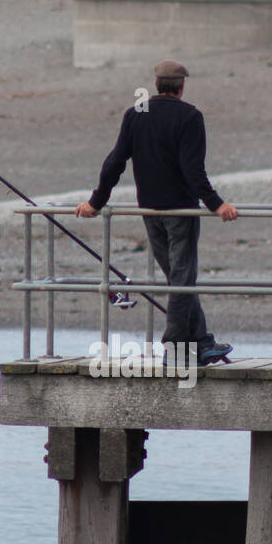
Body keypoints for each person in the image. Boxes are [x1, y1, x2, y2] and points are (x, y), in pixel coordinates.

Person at [75, 59, 239, 367]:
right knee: (181, 279)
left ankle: (202, 343)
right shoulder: (190, 116)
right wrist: (217, 205)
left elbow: (114, 162)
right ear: (182, 86)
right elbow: (193, 169)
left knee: (179, 278)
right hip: (181, 211)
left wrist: (96, 202)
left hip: (149, 209)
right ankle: (175, 348)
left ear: (156, 84)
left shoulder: (136, 114)